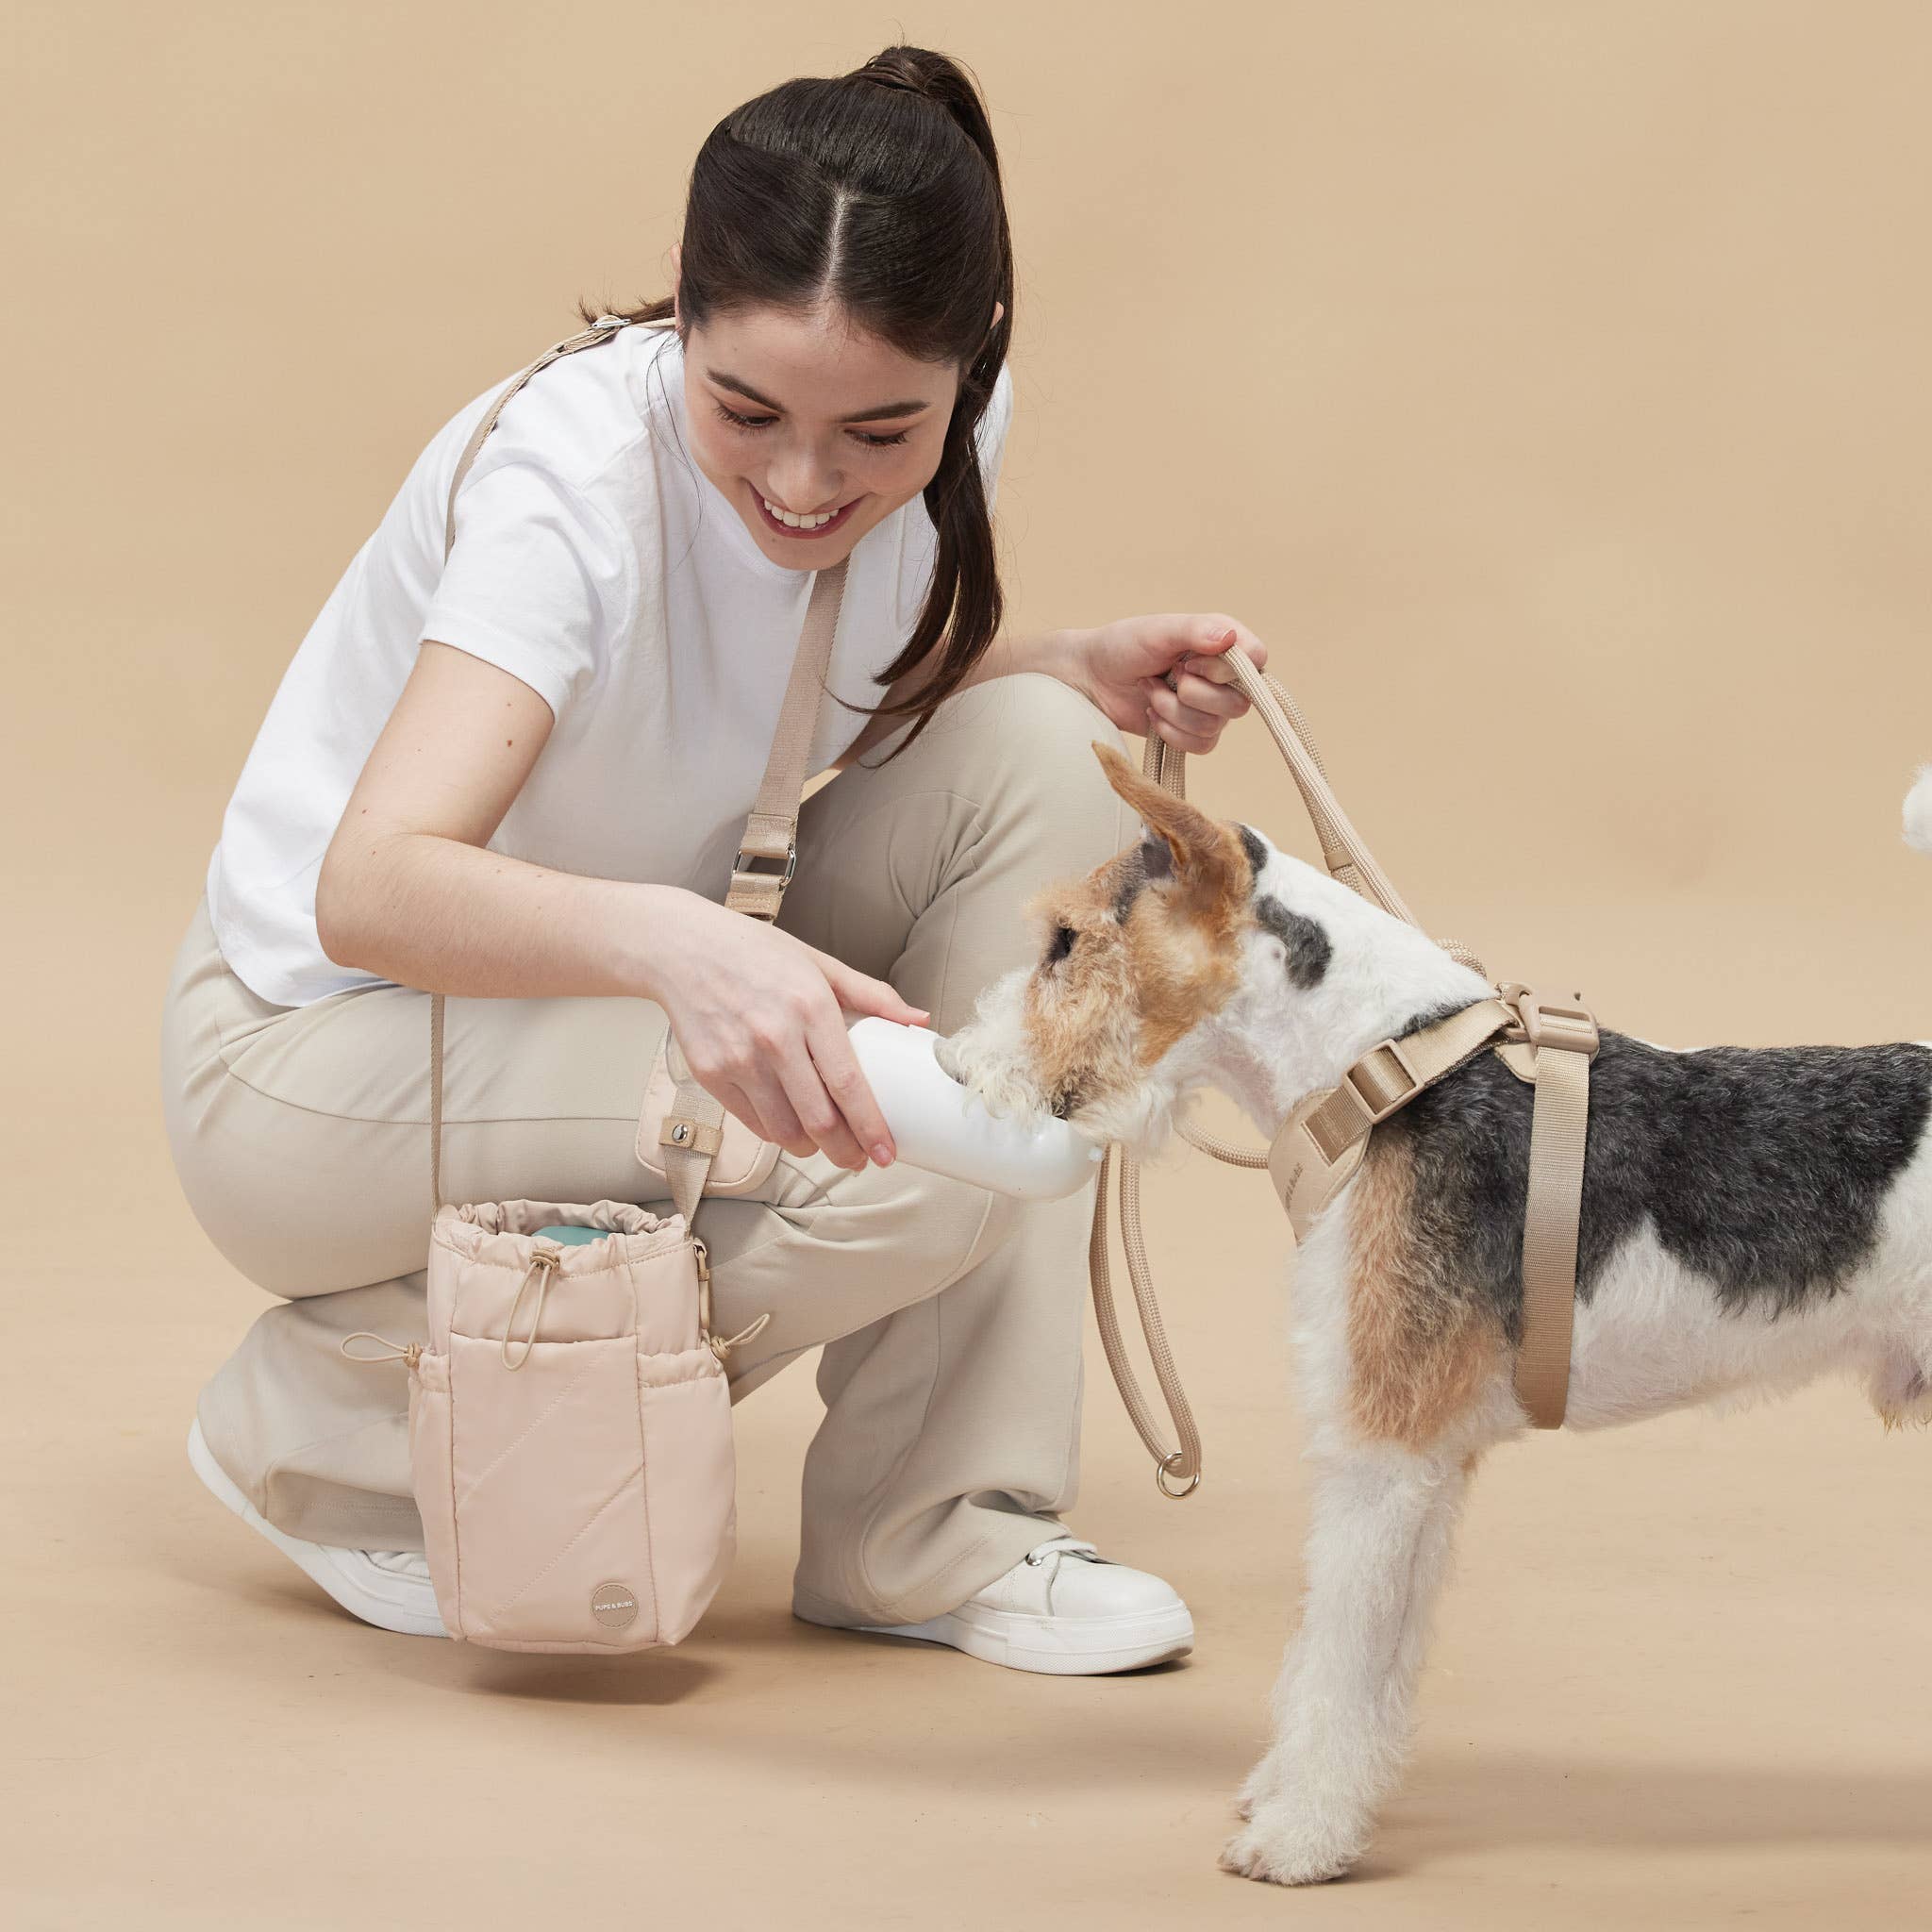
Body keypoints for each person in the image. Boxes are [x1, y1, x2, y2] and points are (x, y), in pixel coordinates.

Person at [160, 44, 1265, 1674]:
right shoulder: (569, 489)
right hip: (315, 1063)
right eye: (745, 412)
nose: (806, 483)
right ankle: (326, 1429)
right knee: (934, 1151)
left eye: (876, 431)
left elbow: (783, 664)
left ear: (972, 356)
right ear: (682, 310)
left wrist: (1067, 661)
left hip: (595, 1002)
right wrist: (688, 950)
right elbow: (374, 883)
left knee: (1045, 759)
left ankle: (928, 1536)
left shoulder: (948, 424)